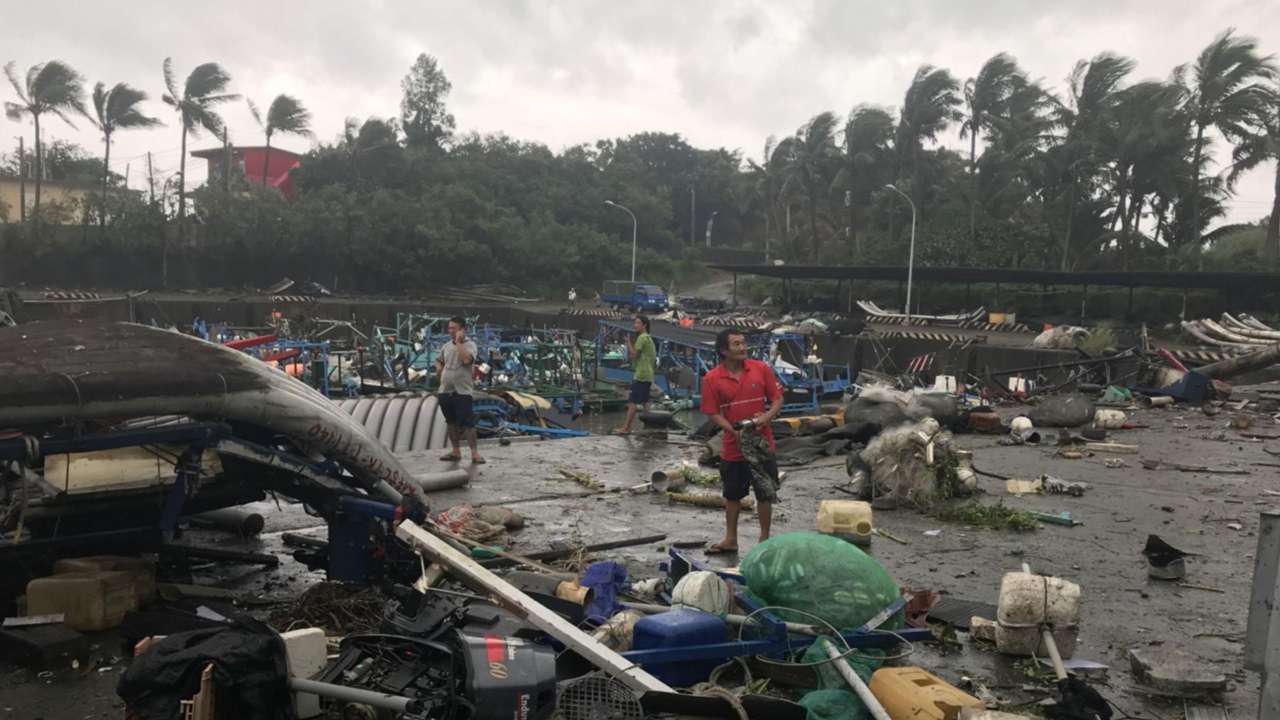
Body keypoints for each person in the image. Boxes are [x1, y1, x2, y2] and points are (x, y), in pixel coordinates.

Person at [699, 328, 783, 555]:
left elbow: (776, 399)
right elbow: (712, 412)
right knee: (732, 494)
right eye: (736, 344)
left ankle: (764, 539)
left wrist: (765, 418)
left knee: (764, 491)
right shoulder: (712, 379)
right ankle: (731, 539)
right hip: (733, 446)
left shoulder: (761, 369)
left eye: (743, 343)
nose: (743, 347)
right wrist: (731, 430)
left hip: (761, 443)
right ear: (724, 350)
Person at [434, 316, 485, 464]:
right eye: (449, 328)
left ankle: (474, 453)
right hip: (445, 389)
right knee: (450, 422)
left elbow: (466, 360)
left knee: (468, 423)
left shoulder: (470, 345)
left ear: (462, 330)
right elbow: (439, 359)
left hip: (462, 391)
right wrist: (439, 370)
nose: (450, 331)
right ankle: (455, 451)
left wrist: (458, 342)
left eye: (453, 328)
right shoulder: (446, 346)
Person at [614, 314, 656, 434]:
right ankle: (650, 428)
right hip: (648, 374)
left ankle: (626, 428)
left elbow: (633, 355)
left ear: (644, 325)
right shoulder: (649, 338)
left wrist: (628, 343)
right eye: (635, 323)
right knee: (645, 402)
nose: (635, 325)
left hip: (641, 374)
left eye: (638, 323)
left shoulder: (642, 338)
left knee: (632, 402)